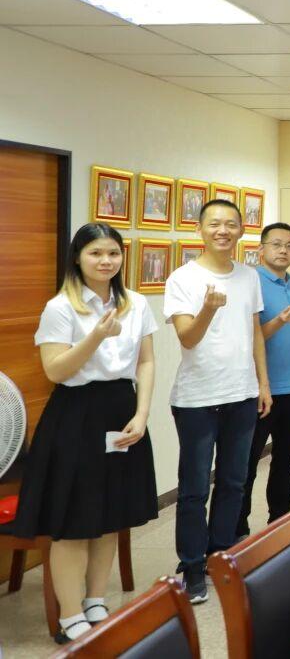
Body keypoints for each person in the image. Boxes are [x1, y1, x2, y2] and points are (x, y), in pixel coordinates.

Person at [12, 224, 158, 643]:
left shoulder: (135, 303)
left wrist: (142, 413)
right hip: (76, 415)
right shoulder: (61, 307)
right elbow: (55, 370)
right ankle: (70, 613)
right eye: (96, 253)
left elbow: (146, 361)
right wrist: (95, 336)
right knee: (74, 520)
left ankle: (96, 601)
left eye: (113, 253)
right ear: (77, 257)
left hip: (122, 409)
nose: (106, 261)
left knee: (110, 515)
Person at [163, 199, 269, 604]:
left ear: (241, 230)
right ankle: (192, 565)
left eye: (230, 224)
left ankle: (220, 556)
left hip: (242, 394)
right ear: (200, 230)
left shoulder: (248, 276)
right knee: (194, 488)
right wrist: (207, 309)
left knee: (233, 482)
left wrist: (263, 383)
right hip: (197, 399)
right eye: (214, 224)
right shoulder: (183, 278)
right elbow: (188, 338)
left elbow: (255, 331)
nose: (223, 231)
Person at [236, 222, 290, 540]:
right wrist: (278, 321)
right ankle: (237, 533)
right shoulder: (251, 283)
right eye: (277, 244)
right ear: (261, 249)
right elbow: (247, 338)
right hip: (258, 390)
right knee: (247, 465)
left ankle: (279, 526)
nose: (283, 250)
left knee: (286, 461)